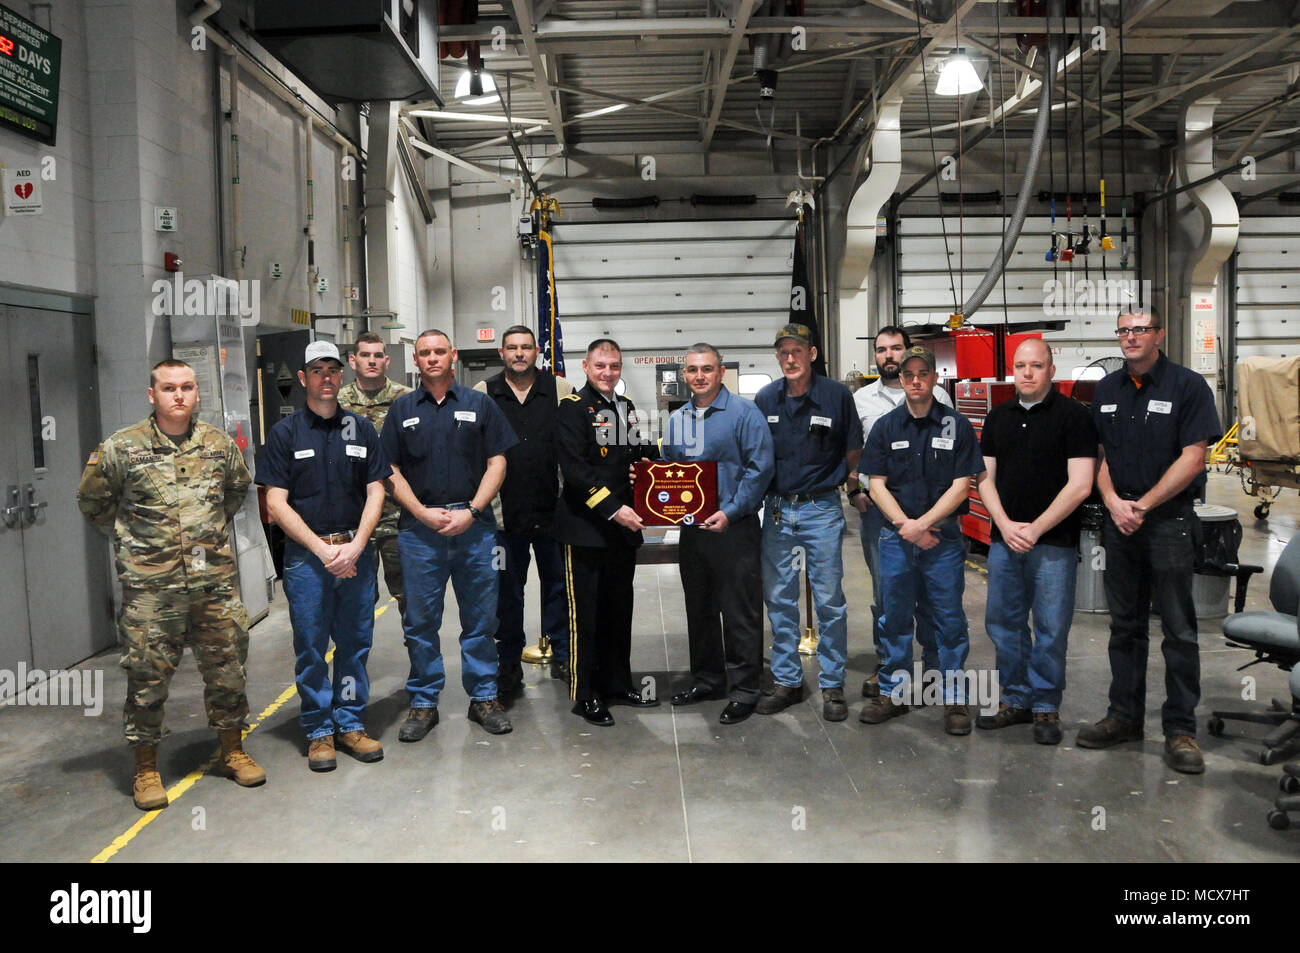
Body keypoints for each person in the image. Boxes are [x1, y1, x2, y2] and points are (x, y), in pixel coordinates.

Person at [77, 359, 265, 810]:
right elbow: (93, 502)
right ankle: (145, 769)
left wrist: (205, 533)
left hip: (213, 584)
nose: (178, 395)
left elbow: (237, 492)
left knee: (227, 669)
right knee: (147, 677)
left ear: (197, 393)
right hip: (151, 589)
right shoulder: (123, 447)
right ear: (152, 395)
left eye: (186, 387)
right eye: (168, 388)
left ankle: (232, 750)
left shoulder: (219, 444)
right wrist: (137, 544)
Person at [1076, 308, 1221, 774]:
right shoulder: (1108, 389)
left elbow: (1193, 458)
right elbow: (1099, 455)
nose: (1131, 337)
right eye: (1124, 330)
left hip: (1168, 523)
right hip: (1121, 523)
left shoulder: (1187, 386)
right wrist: (1115, 501)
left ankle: (1180, 730)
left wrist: (1145, 505)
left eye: (1140, 329)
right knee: (1125, 627)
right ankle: (1124, 717)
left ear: (1160, 334)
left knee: (1178, 631)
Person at [260, 341, 390, 771]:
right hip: (307, 557)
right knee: (312, 647)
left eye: (333, 370)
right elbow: (276, 503)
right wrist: (323, 550)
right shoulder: (285, 434)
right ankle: (318, 731)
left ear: (342, 375)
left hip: (356, 552)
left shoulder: (362, 429)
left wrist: (354, 545)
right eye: (317, 370)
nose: (327, 377)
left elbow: (377, 490)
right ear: (303, 379)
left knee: (354, 644)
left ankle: (350, 723)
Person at [382, 329, 518, 738]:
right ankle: (424, 701)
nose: (433, 358)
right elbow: (389, 470)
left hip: (474, 530)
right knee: (420, 621)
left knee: (480, 618)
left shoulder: (481, 405)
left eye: (440, 351)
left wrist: (473, 511)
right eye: (425, 353)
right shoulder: (401, 409)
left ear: (453, 356)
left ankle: (483, 697)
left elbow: (498, 463)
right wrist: (421, 513)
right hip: (419, 532)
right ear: (417, 361)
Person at [975, 338, 1097, 744]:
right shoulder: (997, 418)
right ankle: (1016, 697)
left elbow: (1080, 485)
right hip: (1004, 540)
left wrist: (1035, 528)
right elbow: (983, 479)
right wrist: (1006, 525)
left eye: (1037, 366)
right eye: (1021, 365)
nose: (1027, 373)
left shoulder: (1074, 417)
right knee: (1004, 623)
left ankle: (1046, 706)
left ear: (1052, 371)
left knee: (1050, 627)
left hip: (1054, 543)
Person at [860, 345, 984, 735]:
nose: (915, 380)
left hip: (943, 540)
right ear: (901, 379)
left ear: (934, 378)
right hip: (897, 539)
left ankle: (950, 695)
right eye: (908, 374)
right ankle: (893, 692)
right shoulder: (886, 427)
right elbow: (874, 483)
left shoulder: (956, 425)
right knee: (894, 614)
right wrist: (906, 526)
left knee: (946, 618)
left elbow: (963, 486)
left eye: (923, 374)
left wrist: (924, 524)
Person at [753, 324, 863, 721]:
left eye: (796, 350)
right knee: (780, 599)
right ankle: (788, 680)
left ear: (812, 353)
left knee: (830, 600)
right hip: (779, 510)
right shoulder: (766, 398)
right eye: (783, 352)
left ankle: (833, 684)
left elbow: (853, 448)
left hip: (821, 509)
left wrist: (847, 485)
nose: (789, 358)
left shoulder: (836, 396)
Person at [661, 343, 774, 725]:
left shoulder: (745, 414)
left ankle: (745, 689)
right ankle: (708, 679)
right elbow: (672, 471)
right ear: (684, 374)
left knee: (739, 611)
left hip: (734, 529)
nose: (699, 376)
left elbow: (759, 470)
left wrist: (730, 512)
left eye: (706, 369)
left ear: (721, 372)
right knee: (701, 608)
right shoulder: (678, 420)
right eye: (692, 370)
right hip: (693, 533)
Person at [553, 338, 660, 726]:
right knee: (587, 616)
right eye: (600, 366)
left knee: (619, 610)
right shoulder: (572, 409)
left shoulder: (626, 408)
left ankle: (617, 683)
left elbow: (630, 457)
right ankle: (585, 694)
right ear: (585, 366)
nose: (607, 372)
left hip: (621, 532)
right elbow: (576, 472)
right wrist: (616, 510)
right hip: (586, 529)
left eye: (614, 366)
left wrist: (646, 467)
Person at [849, 325, 952, 700]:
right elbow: (852, 453)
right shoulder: (860, 401)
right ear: (875, 357)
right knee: (887, 594)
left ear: (909, 352)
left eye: (896, 349)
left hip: (931, 515)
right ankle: (889, 666)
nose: (889, 356)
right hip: (881, 513)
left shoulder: (939, 395)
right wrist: (854, 490)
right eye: (882, 350)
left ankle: (934, 667)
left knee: (931, 593)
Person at [474, 325, 575, 696]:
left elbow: (573, 446)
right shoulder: (484, 393)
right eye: (512, 348)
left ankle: (563, 655)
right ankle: (509, 665)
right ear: (501, 353)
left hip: (555, 514)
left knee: (559, 589)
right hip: (503, 519)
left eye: (526, 347)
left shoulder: (560, 390)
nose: (519, 353)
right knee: (506, 594)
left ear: (537, 352)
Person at [337, 331, 413, 617]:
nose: (372, 361)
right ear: (353, 360)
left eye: (378, 355)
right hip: (355, 519)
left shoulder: (405, 399)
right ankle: (357, 662)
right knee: (358, 601)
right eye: (365, 355)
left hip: (399, 516)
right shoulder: (337, 402)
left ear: (387, 360)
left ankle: (420, 661)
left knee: (411, 598)